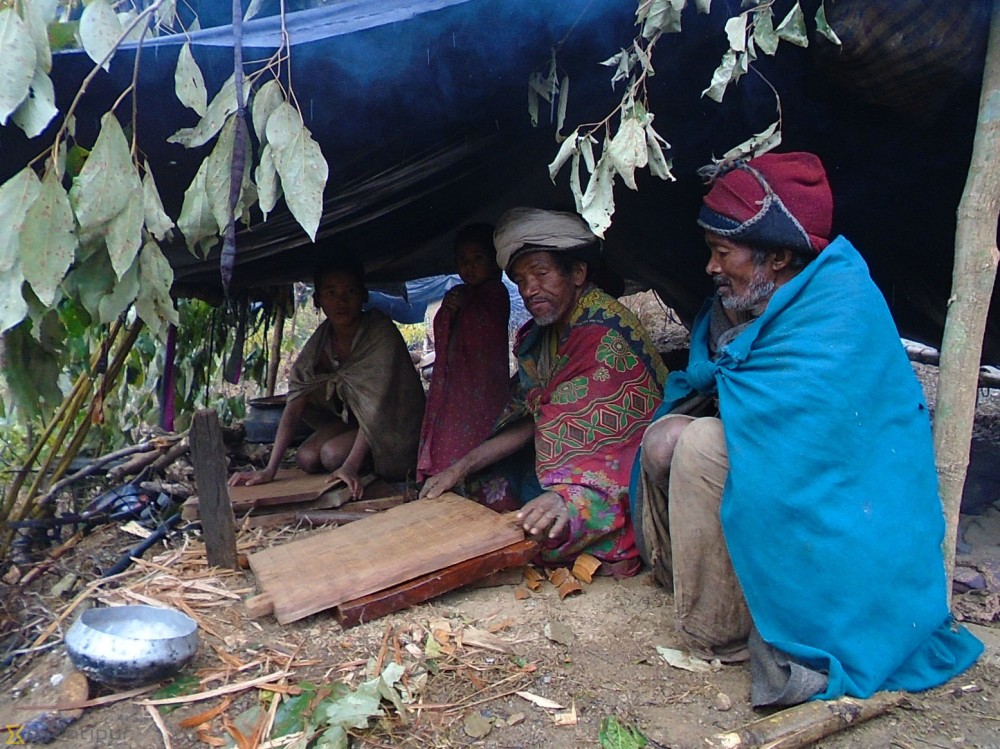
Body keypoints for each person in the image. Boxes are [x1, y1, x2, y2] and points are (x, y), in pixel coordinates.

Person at [635, 151, 982, 706]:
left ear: (775, 257)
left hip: (854, 518)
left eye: (723, 253)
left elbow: (812, 454)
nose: (711, 268)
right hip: (793, 490)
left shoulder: (837, 305)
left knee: (698, 445)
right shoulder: (749, 304)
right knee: (664, 441)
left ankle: (719, 631)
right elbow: (740, 391)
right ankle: (710, 587)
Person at [422, 207, 668, 575]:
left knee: (542, 529)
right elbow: (532, 417)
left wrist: (564, 499)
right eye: (520, 280)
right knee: (481, 492)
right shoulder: (543, 336)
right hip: (562, 468)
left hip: (619, 476)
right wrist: (460, 467)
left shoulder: (604, 337)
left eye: (540, 274)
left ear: (578, 273)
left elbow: (613, 445)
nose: (529, 290)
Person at [229, 258, 425, 498]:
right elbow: (296, 402)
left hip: (394, 426)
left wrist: (350, 467)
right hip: (356, 422)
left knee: (332, 455)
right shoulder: (322, 341)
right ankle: (350, 456)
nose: (341, 301)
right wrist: (270, 470)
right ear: (318, 300)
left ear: (363, 295)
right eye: (330, 293)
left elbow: (379, 406)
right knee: (306, 458)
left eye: (350, 291)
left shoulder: (379, 332)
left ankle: (365, 464)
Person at [417, 224, 511, 481]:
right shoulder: (458, 294)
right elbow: (443, 329)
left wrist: (462, 308)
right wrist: (449, 310)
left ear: (494, 262)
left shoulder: (496, 293)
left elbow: (484, 329)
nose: (469, 266)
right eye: (463, 260)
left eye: (478, 258)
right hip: (455, 380)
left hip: (482, 381)